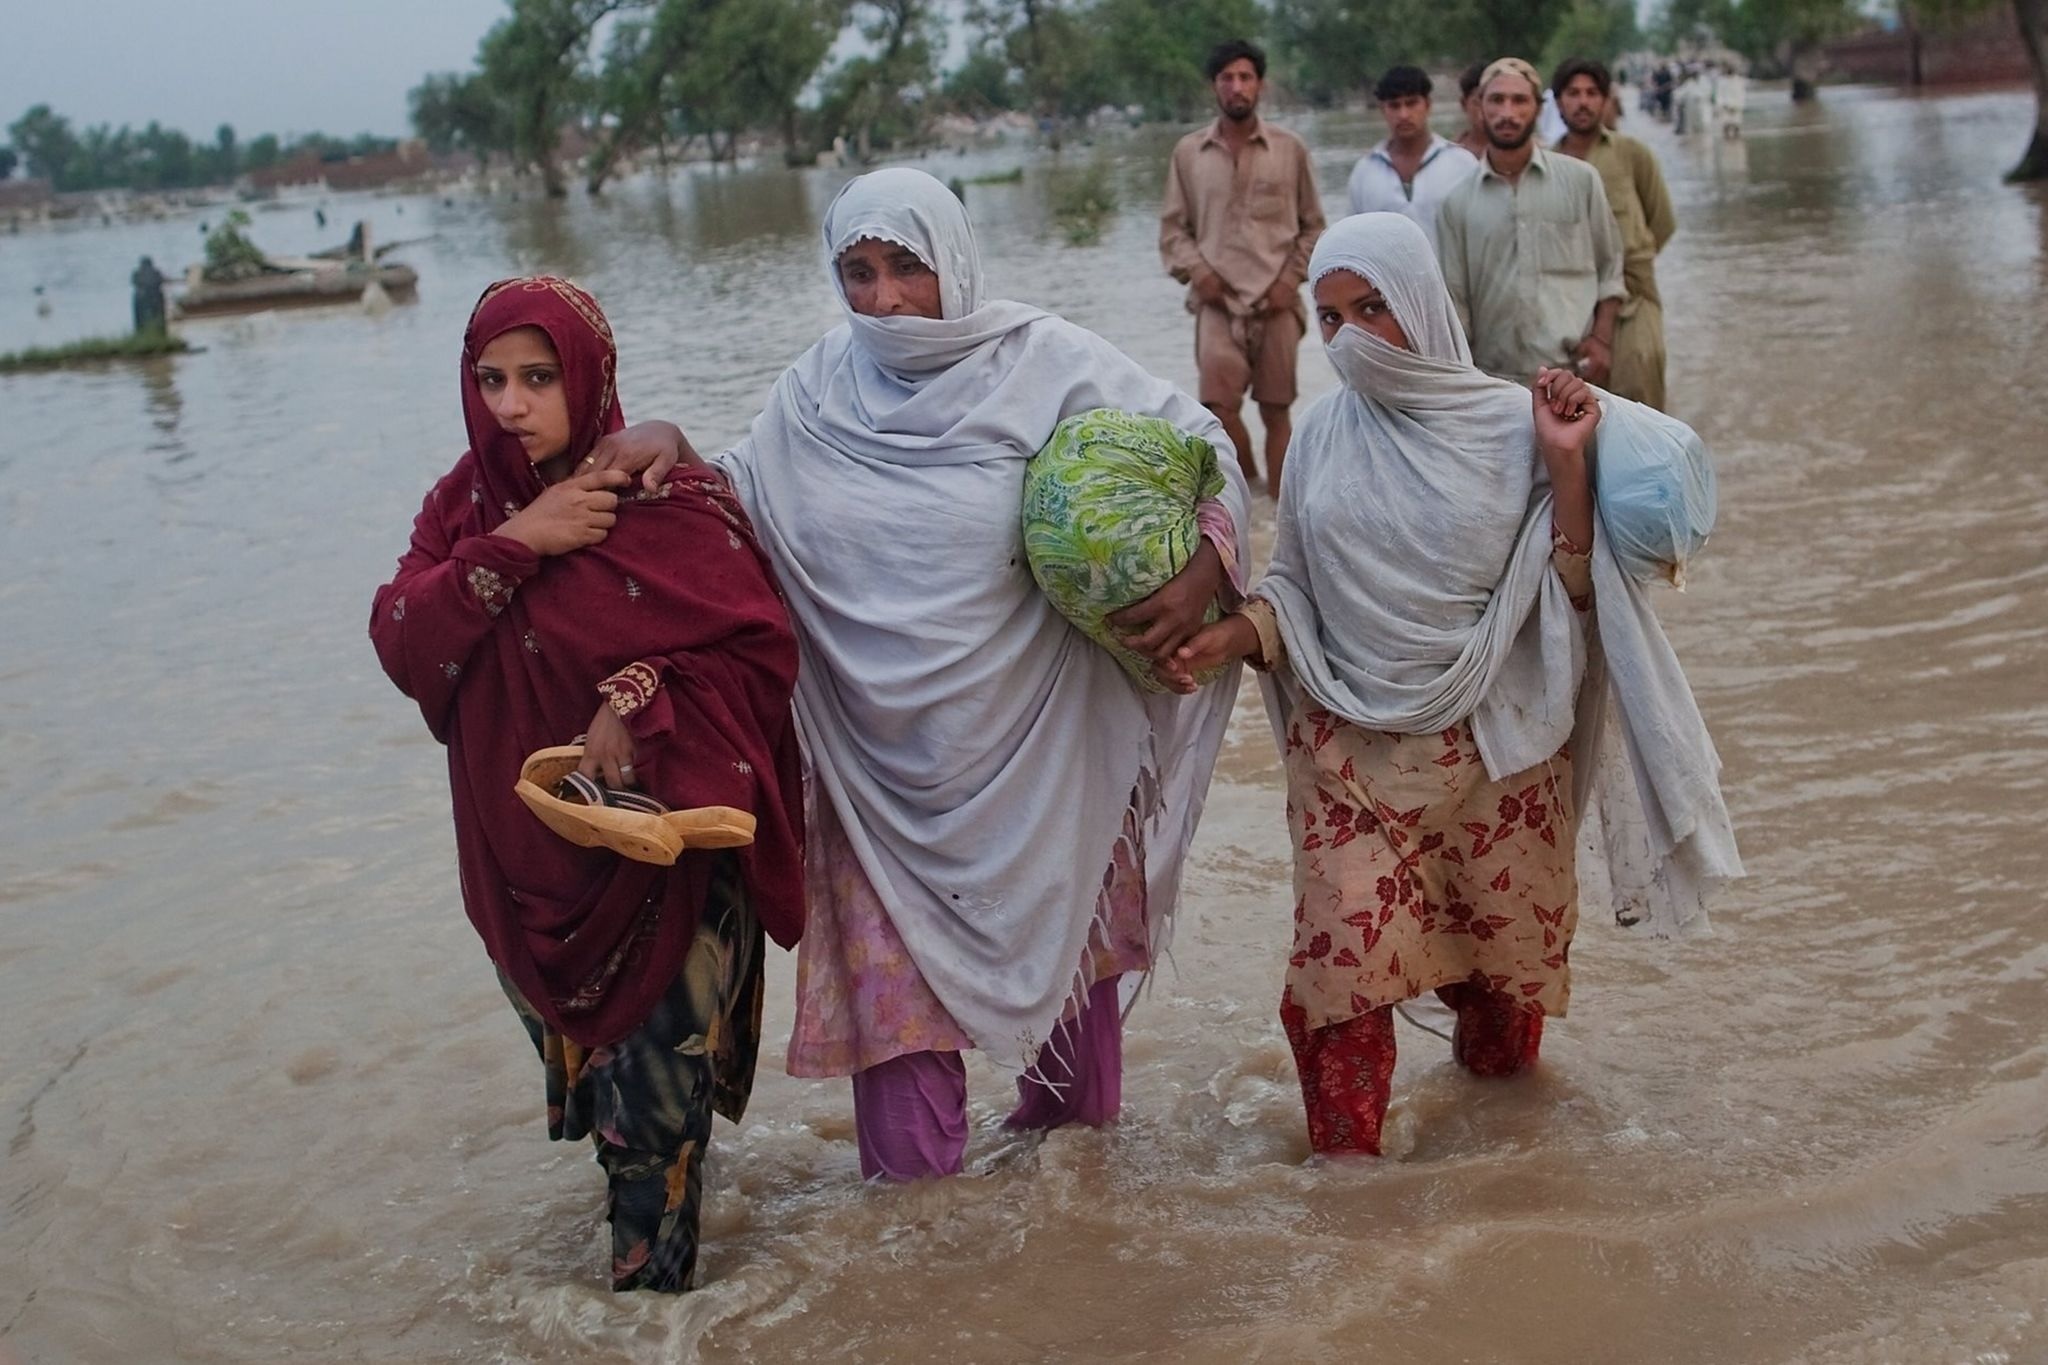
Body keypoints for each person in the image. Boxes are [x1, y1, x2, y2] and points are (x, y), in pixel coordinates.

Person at [604, 169, 1251, 1182]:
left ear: (953, 262)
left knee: (1076, 1129)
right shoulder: (815, 390)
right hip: (877, 782)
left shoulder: (1045, 362)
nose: (885, 299)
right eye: (857, 273)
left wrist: (1206, 565)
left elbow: (1204, 450)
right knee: (907, 1154)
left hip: (1044, 761)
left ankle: (1071, 1271)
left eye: (907, 267)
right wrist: (674, 448)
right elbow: (733, 501)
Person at [1160, 212, 1741, 1155]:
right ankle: (1348, 1196)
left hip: (1497, 754)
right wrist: (1232, 635)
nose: (1354, 337)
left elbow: (1578, 597)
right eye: (1334, 317)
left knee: (1499, 992)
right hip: (1347, 750)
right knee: (1339, 978)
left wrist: (1566, 465)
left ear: (1425, 305)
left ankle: (1502, 1189)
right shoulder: (1316, 440)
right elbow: (1297, 590)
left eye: (1376, 307)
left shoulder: (1516, 428)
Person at [368, 276, 805, 1292]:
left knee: (657, 1136)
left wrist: (639, 693)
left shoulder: (661, 496)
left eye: (537, 377)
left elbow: (759, 650)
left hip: (668, 875)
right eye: (489, 379)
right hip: (525, 869)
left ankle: (651, 1327)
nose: (509, 404)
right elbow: (401, 639)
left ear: (589, 376)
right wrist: (520, 544)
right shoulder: (463, 507)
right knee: (619, 1136)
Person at [1160, 38, 1326, 499]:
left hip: (1276, 301)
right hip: (1216, 302)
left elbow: (1314, 228)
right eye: (1227, 78)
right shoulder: (1188, 153)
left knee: (1277, 410)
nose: (1237, 87)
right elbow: (1173, 233)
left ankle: (1283, 510)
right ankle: (1249, 499)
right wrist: (1199, 272)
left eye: (1245, 77)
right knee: (1217, 408)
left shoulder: (1289, 149)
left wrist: (1290, 279)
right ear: (1214, 87)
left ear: (1261, 85)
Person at [1437, 57, 1625, 386]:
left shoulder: (1580, 181)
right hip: (1494, 382)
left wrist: (1601, 343)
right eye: (1497, 100)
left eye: (1520, 100)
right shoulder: (1456, 203)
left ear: (1538, 108)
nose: (1508, 113)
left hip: (1573, 376)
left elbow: (1610, 268)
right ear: (1479, 107)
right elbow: (1455, 301)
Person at [1554, 57, 1678, 409]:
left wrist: (1628, 262)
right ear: (1559, 101)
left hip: (1634, 298)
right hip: (1571, 305)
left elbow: (1662, 222)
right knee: (1579, 409)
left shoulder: (1631, 154)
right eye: (1573, 93)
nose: (1583, 102)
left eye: (1592, 93)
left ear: (1606, 100)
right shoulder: (1547, 165)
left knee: (1642, 386)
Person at [1346, 65, 1479, 244]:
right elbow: (1353, 240)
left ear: (1428, 105)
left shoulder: (1461, 164)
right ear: (1382, 110)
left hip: (1447, 272)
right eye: (1394, 106)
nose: (1404, 114)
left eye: (1411, 103)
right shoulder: (1365, 172)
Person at [1455, 61, 1490, 157]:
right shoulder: (1448, 156)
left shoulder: (1530, 151)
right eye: (1477, 103)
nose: (1485, 110)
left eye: (1494, 101)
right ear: (1464, 104)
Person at [131, 256, 166, 334]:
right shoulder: (156, 272)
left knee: (141, 320)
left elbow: (134, 282)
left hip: (142, 297)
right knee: (157, 316)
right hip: (155, 297)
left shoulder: (137, 273)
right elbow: (161, 281)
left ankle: (141, 332)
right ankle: (160, 330)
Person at [1714, 63, 1747, 139]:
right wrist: (1722, 105)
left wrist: (1739, 105)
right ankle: (1726, 143)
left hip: (1736, 106)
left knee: (1736, 125)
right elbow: (1719, 94)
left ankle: (1737, 142)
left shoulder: (1739, 81)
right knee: (1725, 125)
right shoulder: (1721, 81)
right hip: (1725, 106)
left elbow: (1742, 94)